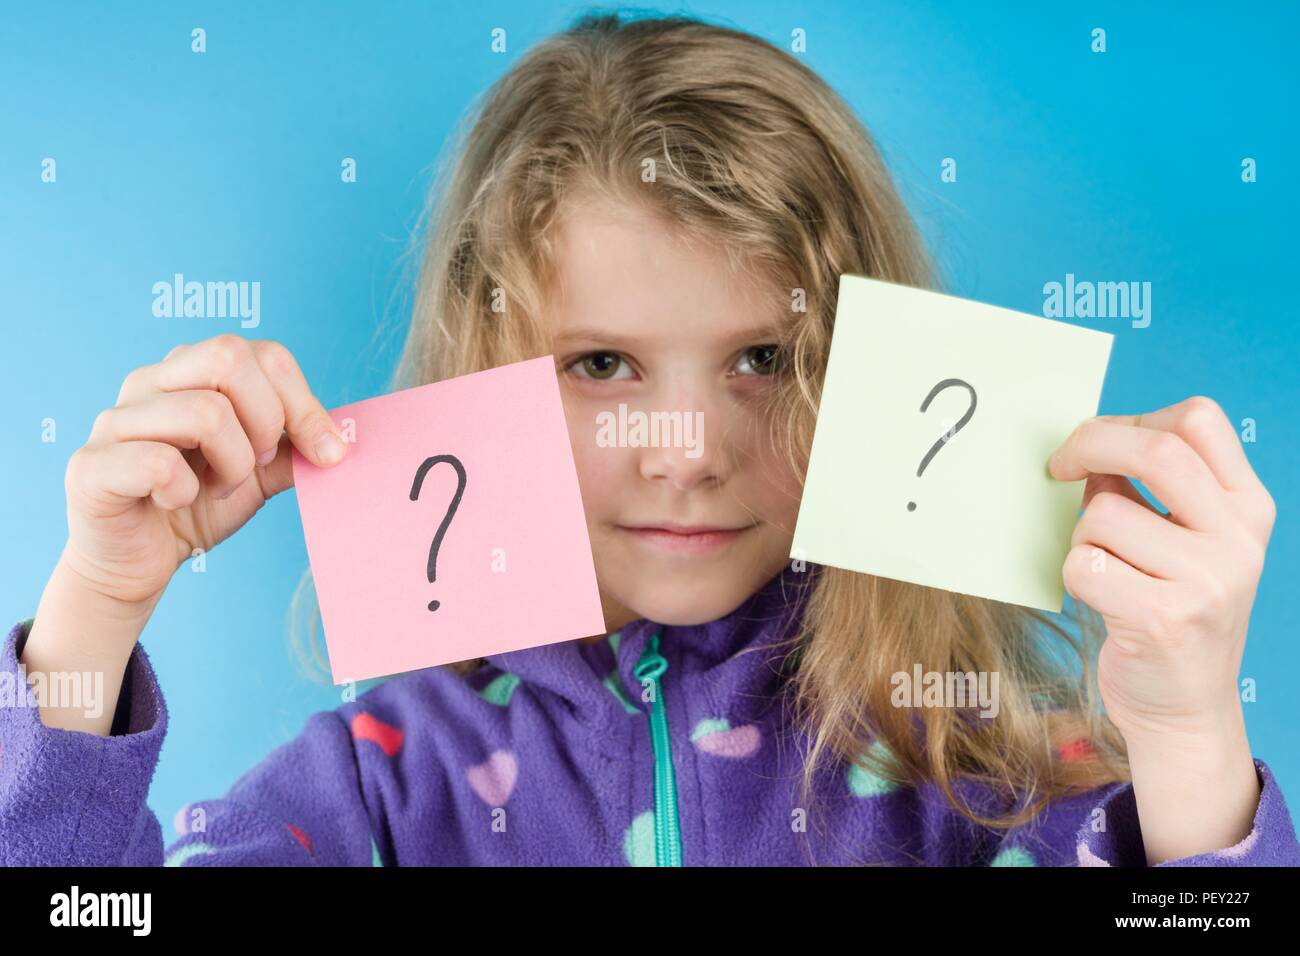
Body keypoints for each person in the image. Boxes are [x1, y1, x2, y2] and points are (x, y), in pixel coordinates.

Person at [3, 12, 1296, 867]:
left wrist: (1187, 736)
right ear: (484, 375)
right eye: (604, 365)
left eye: (763, 360)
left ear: (870, 370)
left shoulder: (992, 774)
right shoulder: (380, 789)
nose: (685, 451)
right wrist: (95, 618)